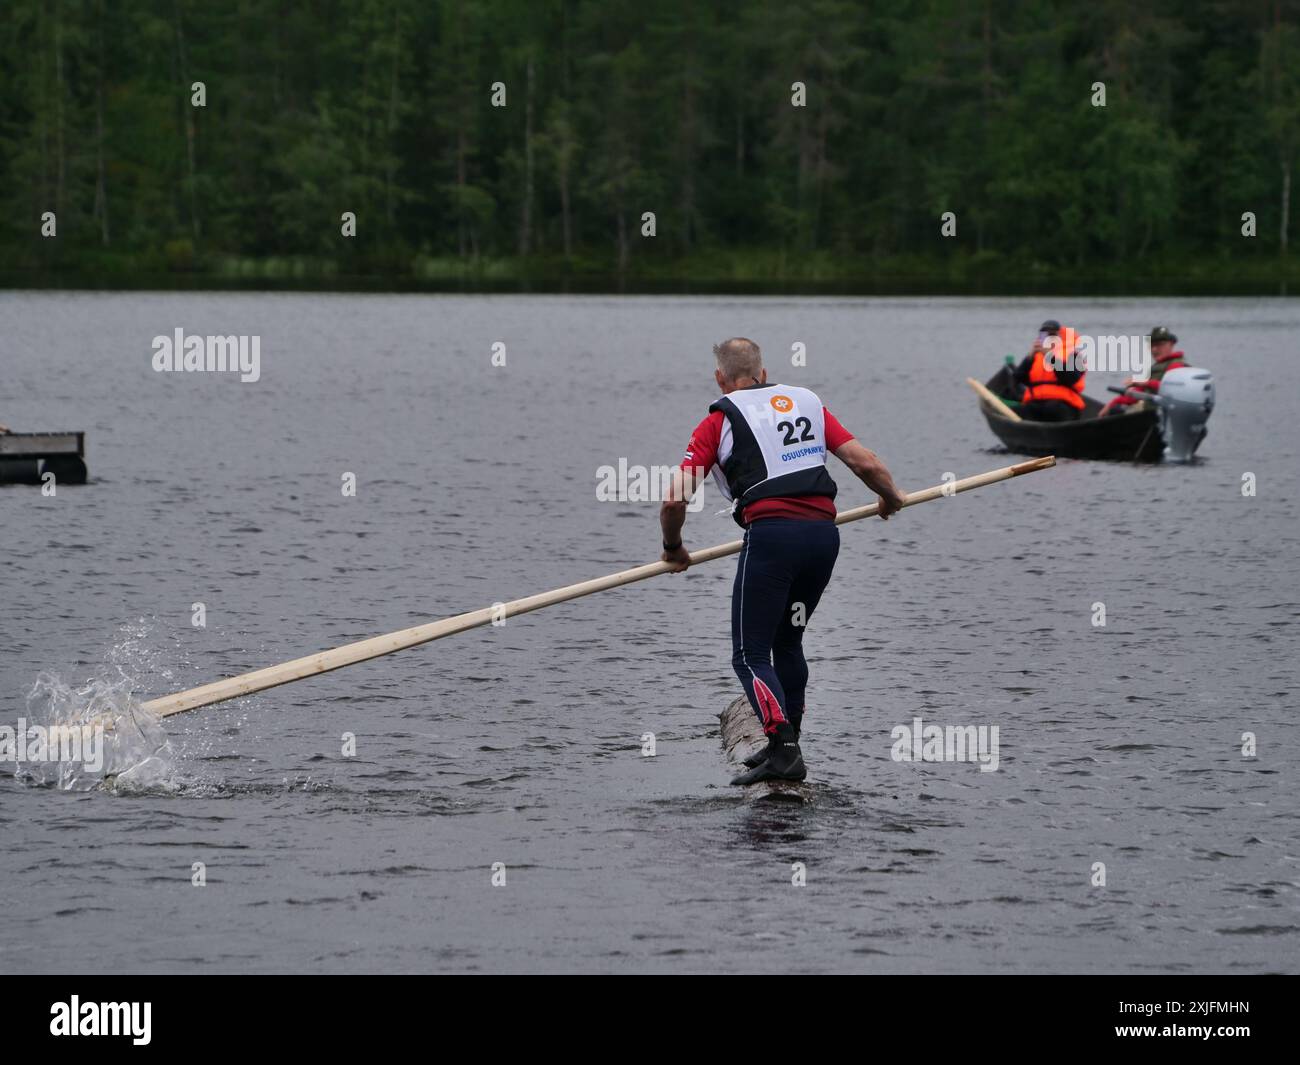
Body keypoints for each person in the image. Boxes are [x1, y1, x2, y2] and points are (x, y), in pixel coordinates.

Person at [659, 337, 906, 785]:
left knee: (749, 654)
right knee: (788, 642)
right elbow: (864, 462)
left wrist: (674, 547)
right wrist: (890, 498)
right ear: (764, 371)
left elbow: (675, 498)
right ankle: (784, 744)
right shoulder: (807, 402)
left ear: (721, 378)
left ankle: (785, 750)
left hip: (772, 538)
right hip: (823, 540)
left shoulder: (719, 420)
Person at [1100, 326, 1188, 416]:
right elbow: (1138, 393)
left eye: (1160, 344)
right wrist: (1113, 403)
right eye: (1152, 345)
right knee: (1116, 409)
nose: (1154, 349)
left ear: (1171, 345)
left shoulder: (1176, 365)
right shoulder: (1158, 366)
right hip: (1151, 412)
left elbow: (1170, 388)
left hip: (1162, 416)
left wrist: (1144, 383)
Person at [1011, 320, 1086, 422]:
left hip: (1063, 406)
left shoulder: (1074, 355)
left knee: (1053, 408)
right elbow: (1017, 379)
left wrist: (1050, 357)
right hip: (1036, 404)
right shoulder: (1035, 356)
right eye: (1044, 334)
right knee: (1017, 411)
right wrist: (1029, 357)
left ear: (1060, 336)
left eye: (1052, 335)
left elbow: (1070, 378)